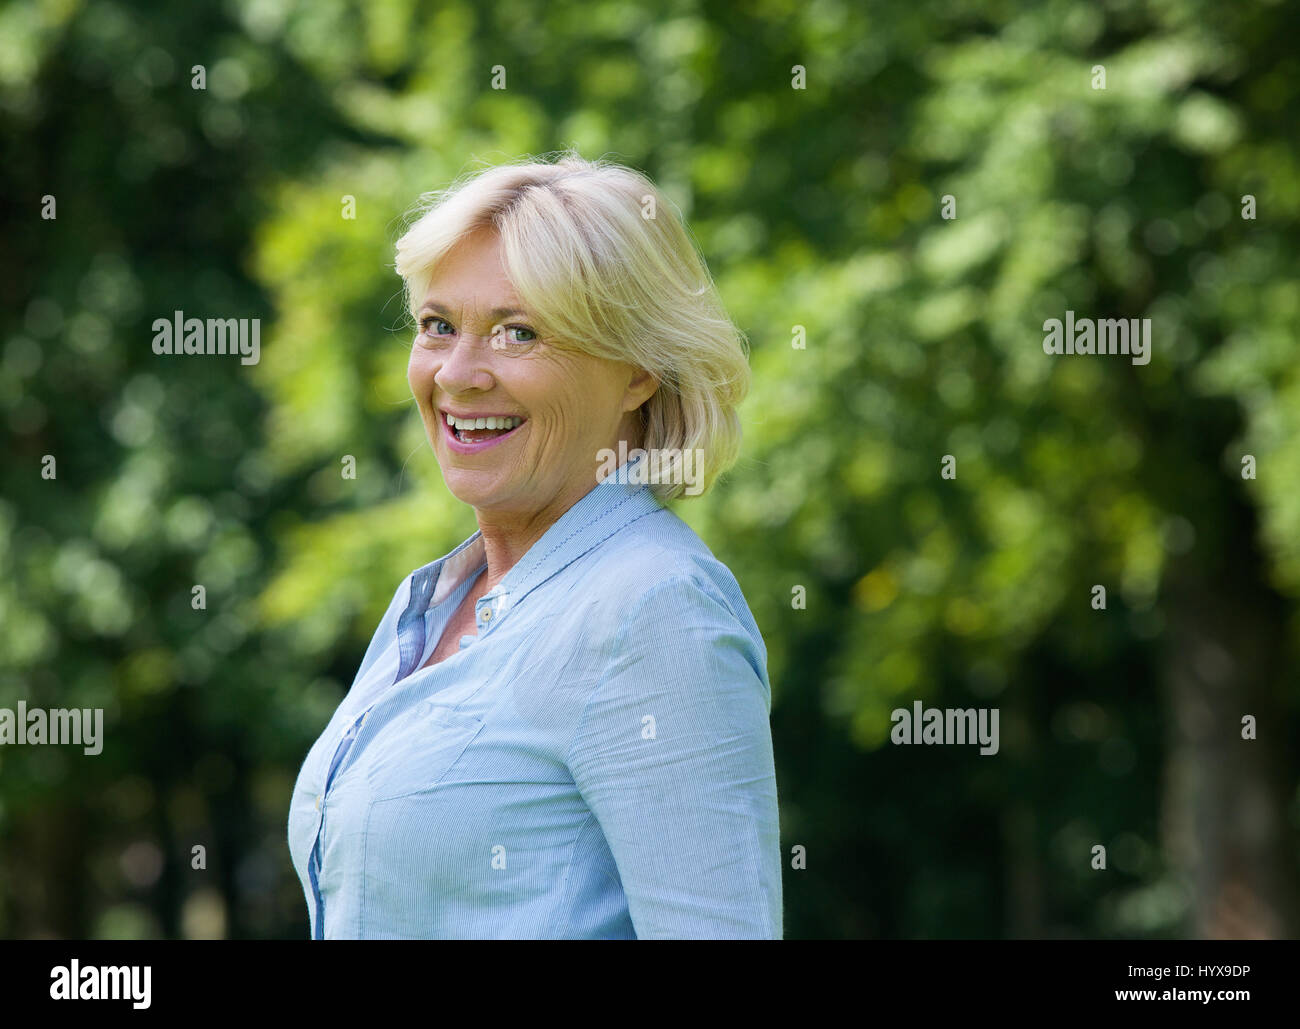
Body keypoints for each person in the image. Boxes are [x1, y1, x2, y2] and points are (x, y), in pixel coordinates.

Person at [287, 152, 781, 938]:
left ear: (638, 373)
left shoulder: (654, 608)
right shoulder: (436, 600)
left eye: (519, 333)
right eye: (438, 325)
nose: (458, 373)